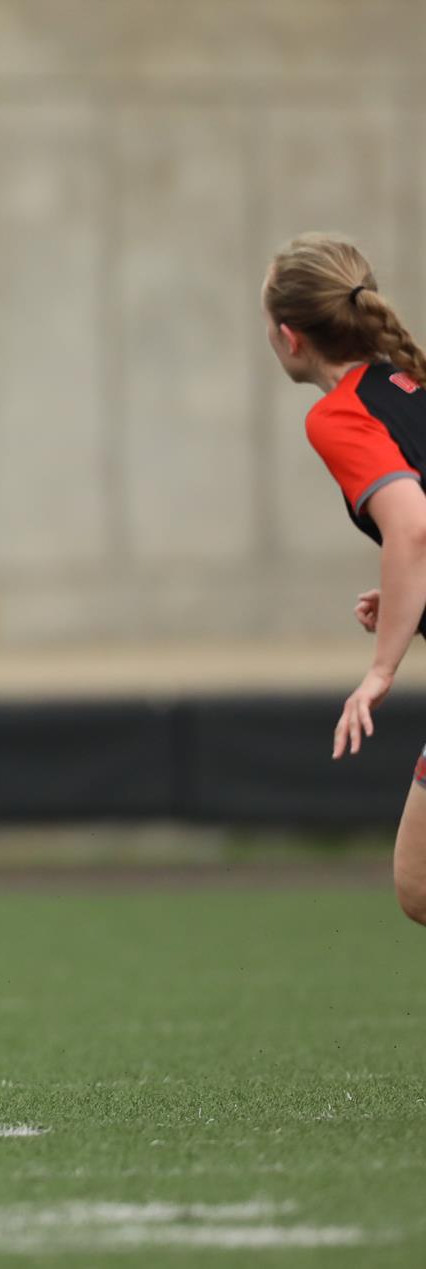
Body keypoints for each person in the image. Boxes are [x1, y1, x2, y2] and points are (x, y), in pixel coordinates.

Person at [266, 231, 426, 926]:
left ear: (288, 336)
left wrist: (381, 668)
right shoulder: (405, 381)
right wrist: (408, 598)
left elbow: (413, 525)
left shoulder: (339, 416)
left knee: (420, 879)